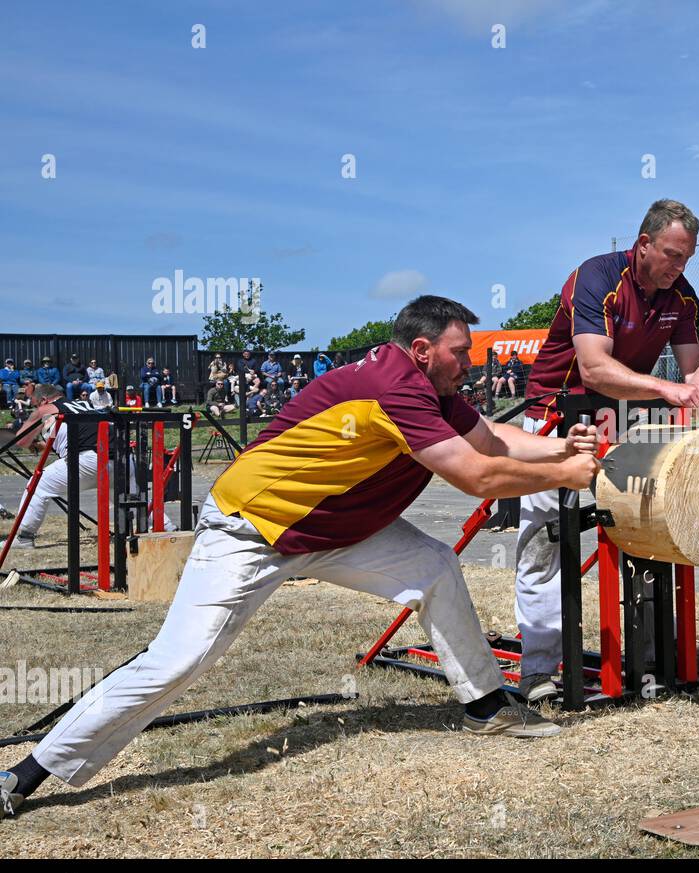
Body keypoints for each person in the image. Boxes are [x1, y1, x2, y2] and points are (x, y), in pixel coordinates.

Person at [0, 295, 604, 820]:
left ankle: (487, 706)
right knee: (177, 662)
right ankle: (25, 774)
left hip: (332, 530)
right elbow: (475, 475)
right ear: (422, 349)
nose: (469, 362)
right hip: (252, 531)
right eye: (461, 351)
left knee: (435, 570)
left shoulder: (429, 386)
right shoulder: (395, 388)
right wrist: (565, 471)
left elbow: (493, 439)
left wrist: (557, 449)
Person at [514, 199, 699, 702]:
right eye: (670, 255)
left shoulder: (681, 297)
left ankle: (647, 658)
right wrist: (666, 391)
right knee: (547, 544)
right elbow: (594, 368)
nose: (678, 267)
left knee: (643, 529)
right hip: (558, 416)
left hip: (619, 419)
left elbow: (695, 368)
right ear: (643, 244)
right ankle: (538, 670)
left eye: (686, 258)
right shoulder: (595, 278)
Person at [9, 386, 109, 549]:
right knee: (129, 497)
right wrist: (42, 445)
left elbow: (21, 440)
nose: (36, 409)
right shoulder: (82, 404)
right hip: (118, 457)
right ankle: (164, 529)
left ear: (43, 400)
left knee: (37, 484)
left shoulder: (47, 408)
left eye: (36, 405)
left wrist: (29, 436)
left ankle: (25, 538)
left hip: (87, 460)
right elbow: (77, 433)